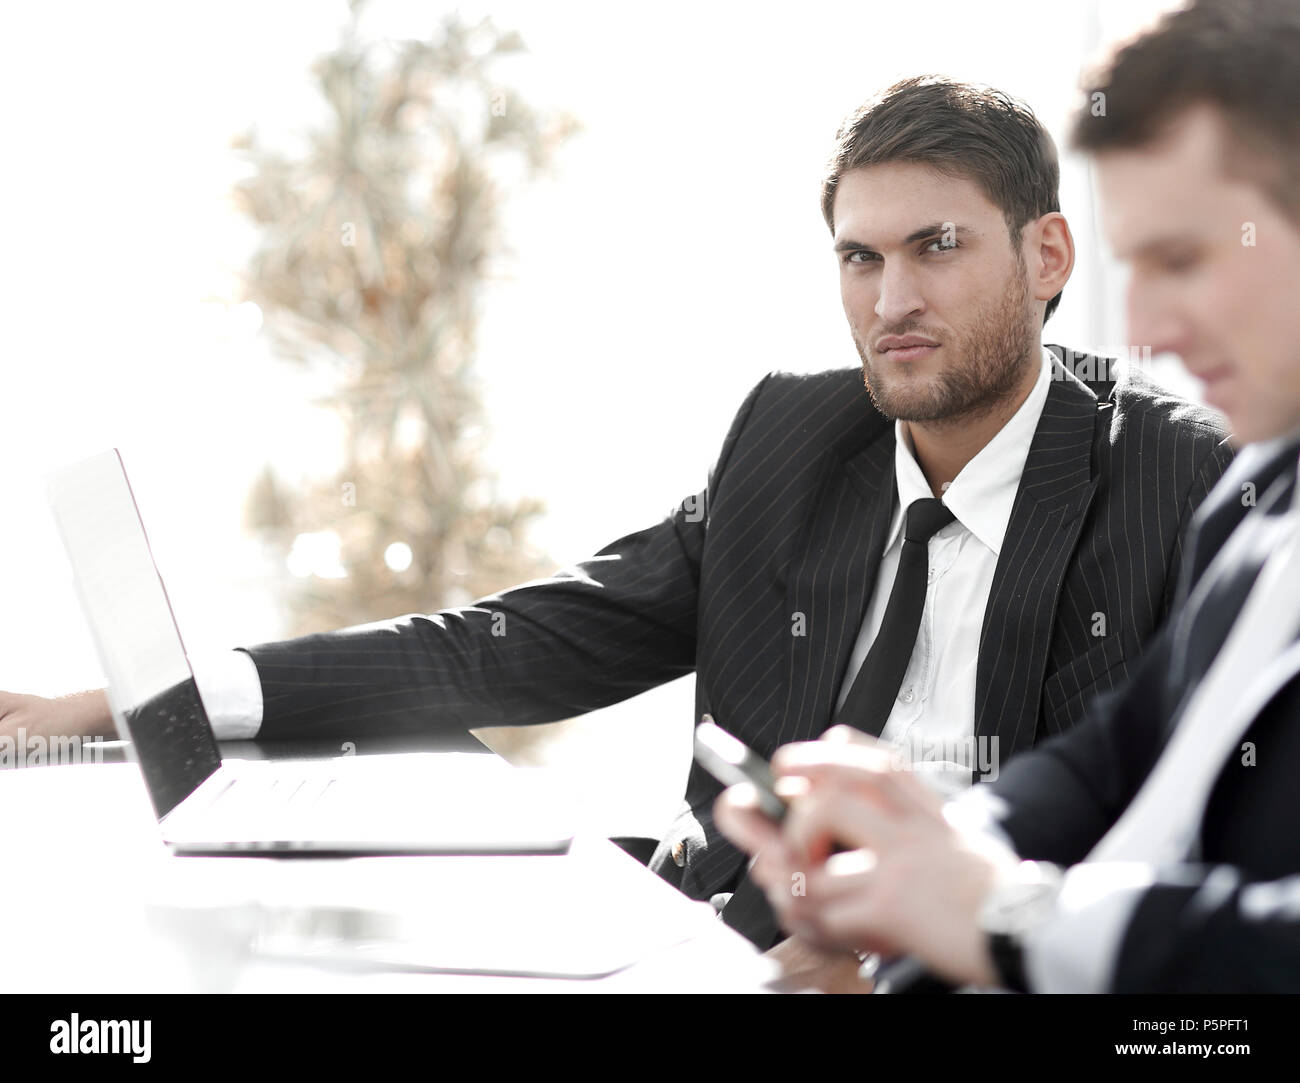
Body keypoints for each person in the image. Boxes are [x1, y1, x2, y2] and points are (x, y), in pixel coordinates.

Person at [0, 78, 1231, 972]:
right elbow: (523, 640)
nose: (890, 300)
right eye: (858, 258)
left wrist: (904, 969)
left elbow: (1172, 857)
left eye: (937, 248)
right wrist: (151, 702)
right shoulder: (794, 437)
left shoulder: (1182, 481)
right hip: (709, 940)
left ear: (1048, 255)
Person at [716, 0, 1300, 992]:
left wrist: (996, 915)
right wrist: (913, 860)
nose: (1146, 320)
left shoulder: (1183, 470)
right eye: (1136, 263)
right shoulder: (1258, 497)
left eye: (1184, 259)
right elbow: (1107, 762)